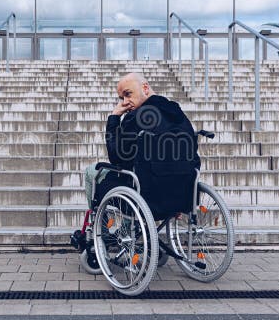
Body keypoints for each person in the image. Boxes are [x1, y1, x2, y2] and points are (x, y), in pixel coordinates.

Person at [84, 72, 200, 221]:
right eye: (121, 98)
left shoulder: (136, 116)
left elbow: (116, 158)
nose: (125, 102)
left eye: (128, 94)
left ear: (145, 88)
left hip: (148, 198)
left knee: (91, 172)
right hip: (181, 196)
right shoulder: (177, 113)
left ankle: (102, 230)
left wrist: (114, 117)